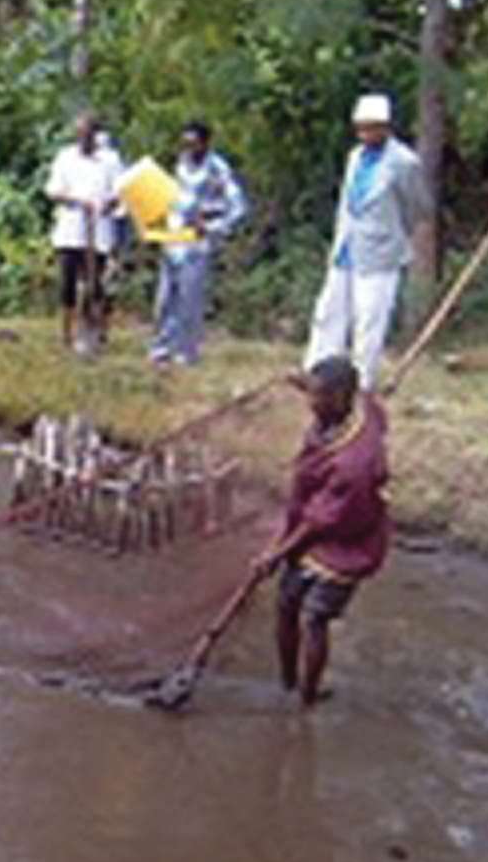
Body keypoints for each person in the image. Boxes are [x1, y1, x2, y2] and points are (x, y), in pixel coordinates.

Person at [254, 355, 390, 709]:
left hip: (346, 541)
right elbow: (311, 515)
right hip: (310, 523)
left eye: (320, 397)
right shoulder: (360, 405)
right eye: (311, 394)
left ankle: (308, 698)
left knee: (315, 618)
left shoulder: (354, 463)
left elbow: (321, 520)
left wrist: (277, 552)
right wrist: (301, 381)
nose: (312, 404)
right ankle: (286, 683)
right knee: (285, 605)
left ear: (341, 397)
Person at [305, 93, 430, 391]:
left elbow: (418, 207)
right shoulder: (355, 157)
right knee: (329, 313)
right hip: (346, 246)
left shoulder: (404, 162)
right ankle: (319, 373)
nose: (366, 134)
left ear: (386, 127)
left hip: (381, 252)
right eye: (361, 128)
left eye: (372, 128)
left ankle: (361, 382)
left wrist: (394, 233)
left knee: (369, 319)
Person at [149, 121, 246, 367]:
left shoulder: (217, 169)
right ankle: (162, 348)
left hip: (197, 243)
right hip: (172, 238)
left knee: (189, 300)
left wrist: (213, 228)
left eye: (193, 143)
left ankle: (186, 352)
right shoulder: (180, 165)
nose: (188, 148)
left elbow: (238, 207)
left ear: (205, 143)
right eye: (185, 143)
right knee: (165, 297)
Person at [43, 110, 121, 354]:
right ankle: (66, 333)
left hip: (98, 230)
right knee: (67, 282)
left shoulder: (110, 160)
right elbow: (53, 190)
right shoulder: (65, 157)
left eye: (88, 135)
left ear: (96, 136)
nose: (83, 140)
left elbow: (120, 192)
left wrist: (108, 204)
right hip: (71, 228)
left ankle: (90, 330)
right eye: (80, 134)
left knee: (94, 282)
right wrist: (76, 200)